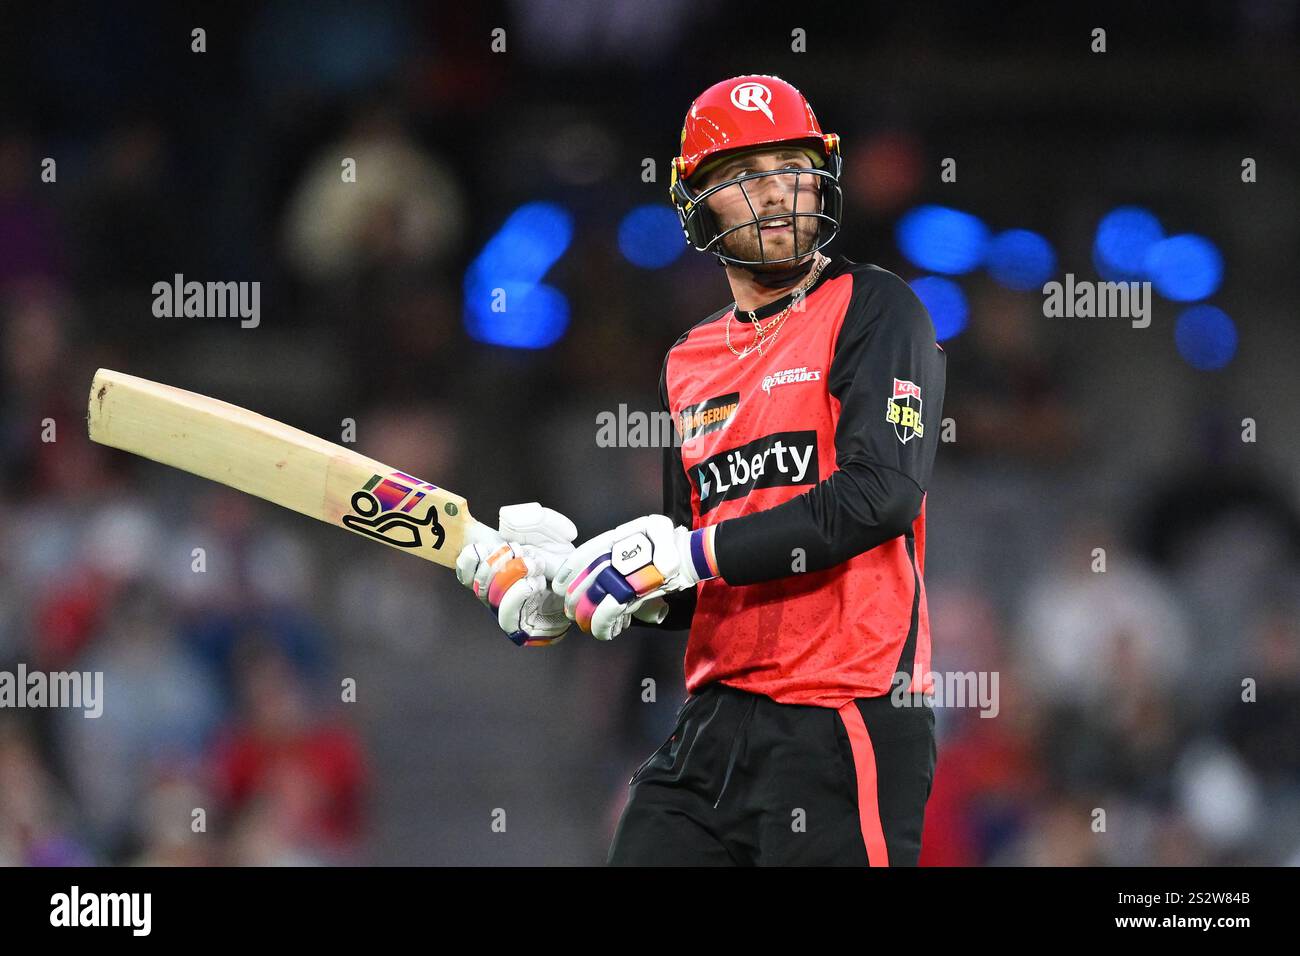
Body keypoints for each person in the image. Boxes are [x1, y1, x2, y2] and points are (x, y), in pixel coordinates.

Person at [457, 74, 946, 865]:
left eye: (792, 167)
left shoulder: (878, 308)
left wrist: (678, 555)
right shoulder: (688, 361)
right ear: (695, 202)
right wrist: (583, 586)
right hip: (711, 725)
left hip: (843, 709)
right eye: (747, 176)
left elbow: (880, 495)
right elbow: (695, 574)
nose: (779, 193)